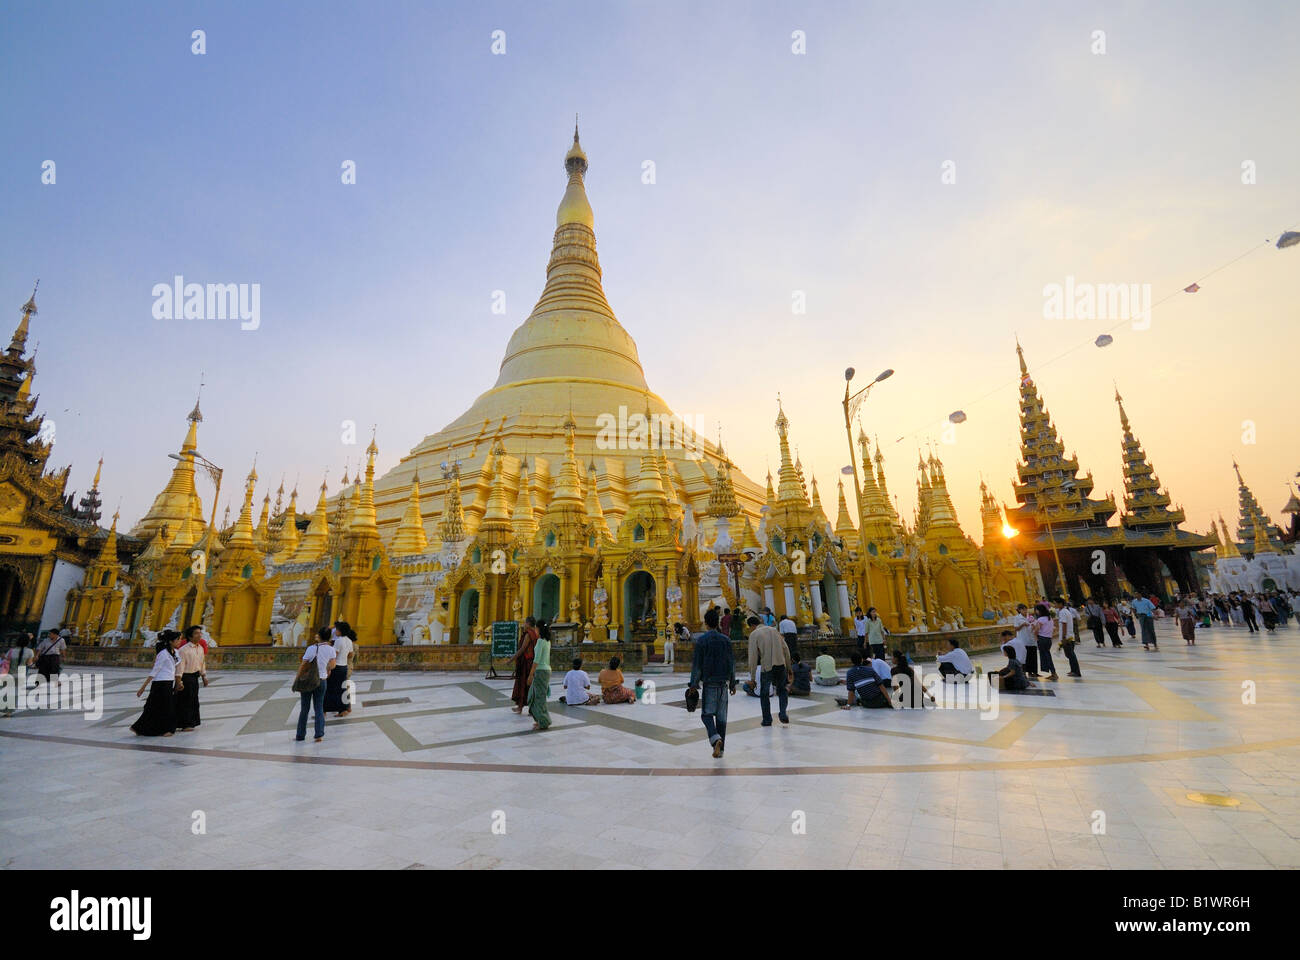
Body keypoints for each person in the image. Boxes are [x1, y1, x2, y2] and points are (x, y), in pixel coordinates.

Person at [687, 607, 735, 758]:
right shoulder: (726, 640)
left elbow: (697, 665)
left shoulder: (702, 641)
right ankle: (720, 750)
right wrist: (733, 683)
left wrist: (693, 684)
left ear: (706, 624)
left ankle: (715, 739)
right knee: (721, 718)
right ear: (717, 623)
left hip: (709, 683)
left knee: (707, 715)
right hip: (723, 684)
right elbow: (731, 663)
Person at [132, 631, 182, 737]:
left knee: (158, 706)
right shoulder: (163, 654)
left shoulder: (175, 653)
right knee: (162, 706)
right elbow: (155, 670)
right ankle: (166, 729)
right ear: (170, 641)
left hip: (169, 682)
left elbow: (177, 666)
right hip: (160, 683)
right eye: (177, 639)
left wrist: (179, 682)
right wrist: (143, 687)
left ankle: (140, 727)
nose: (179, 641)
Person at [746, 614, 791, 726]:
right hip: (780, 664)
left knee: (764, 693)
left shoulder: (754, 634)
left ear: (752, 625)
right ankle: (783, 714)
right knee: (782, 690)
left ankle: (767, 719)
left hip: (767, 667)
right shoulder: (774, 630)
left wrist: (752, 678)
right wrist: (789, 668)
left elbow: (753, 657)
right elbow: (786, 649)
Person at [295, 628, 336, 743]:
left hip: (308, 680)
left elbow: (303, 665)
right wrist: (327, 669)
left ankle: (300, 735)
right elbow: (333, 665)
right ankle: (319, 735)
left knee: (305, 708)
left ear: (319, 636)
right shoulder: (331, 649)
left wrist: (298, 677)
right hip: (322, 680)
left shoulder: (312, 648)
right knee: (319, 707)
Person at [174, 624, 208, 731]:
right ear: (190, 636)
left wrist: (203, 676)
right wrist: (179, 681)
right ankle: (185, 724)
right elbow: (180, 666)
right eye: (196, 633)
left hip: (194, 677)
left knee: (193, 700)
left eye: (200, 633)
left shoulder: (200, 648)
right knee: (185, 701)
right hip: (185, 677)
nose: (199, 635)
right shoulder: (184, 650)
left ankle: (192, 722)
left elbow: (202, 663)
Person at [325, 620, 356, 716]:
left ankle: (325, 709)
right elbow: (350, 655)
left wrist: (328, 668)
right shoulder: (349, 641)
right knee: (342, 689)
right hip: (344, 667)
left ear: (340, 631)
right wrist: (344, 655)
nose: (335, 631)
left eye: (337, 629)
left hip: (336, 667)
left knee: (330, 688)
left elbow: (334, 655)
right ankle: (343, 709)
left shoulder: (339, 641)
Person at [511, 617, 539, 713]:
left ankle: (523, 708)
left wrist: (512, 658)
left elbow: (522, 649)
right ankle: (523, 707)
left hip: (527, 662)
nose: (523, 625)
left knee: (523, 684)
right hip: (531, 661)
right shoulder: (535, 633)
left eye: (525, 623)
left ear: (528, 623)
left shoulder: (528, 634)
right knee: (528, 686)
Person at [2, 635, 34, 716]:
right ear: (27, 642)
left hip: (9, 674)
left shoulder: (11, 651)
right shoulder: (30, 651)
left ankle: (2, 707)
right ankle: (9, 712)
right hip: (20, 675)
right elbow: (29, 664)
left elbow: (5, 662)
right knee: (14, 693)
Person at [528, 626, 552, 730]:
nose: (535, 631)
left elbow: (536, 660)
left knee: (538, 698)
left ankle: (544, 721)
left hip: (540, 670)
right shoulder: (548, 642)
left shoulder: (540, 641)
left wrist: (531, 674)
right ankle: (540, 719)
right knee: (535, 696)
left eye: (536, 629)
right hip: (546, 670)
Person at [1055, 598, 1082, 678]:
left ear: (1060, 604)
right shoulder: (1065, 611)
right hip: (1069, 636)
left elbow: (1064, 624)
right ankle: (1073, 670)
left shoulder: (1063, 612)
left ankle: (1076, 671)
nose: (1055, 605)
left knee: (1071, 655)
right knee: (1069, 655)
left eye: (1056, 603)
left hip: (1067, 637)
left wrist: (1063, 637)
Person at [1033, 603, 1059, 681]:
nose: (1036, 611)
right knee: (1047, 655)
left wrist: (1036, 638)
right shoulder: (1049, 618)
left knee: (1047, 656)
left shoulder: (1040, 619)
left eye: (1036, 610)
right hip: (1048, 639)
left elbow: (1036, 630)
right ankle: (1053, 673)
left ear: (1040, 611)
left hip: (1042, 639)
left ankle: (1054, 673)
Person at [1010, 603, 1038, 676]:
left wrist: (1034, 625)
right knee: (1025, 657)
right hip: (1023, 640)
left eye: (1026, 609)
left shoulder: (1030, 617)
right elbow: (1016, 629)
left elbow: (1035, 626)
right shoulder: (1017, 618)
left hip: (1032, 639)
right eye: (1023, 609)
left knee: (1033, 656)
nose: (1025, 611)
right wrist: (1022, 625)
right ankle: (1026, 672)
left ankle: (1034, 672)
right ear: (1019, 610)